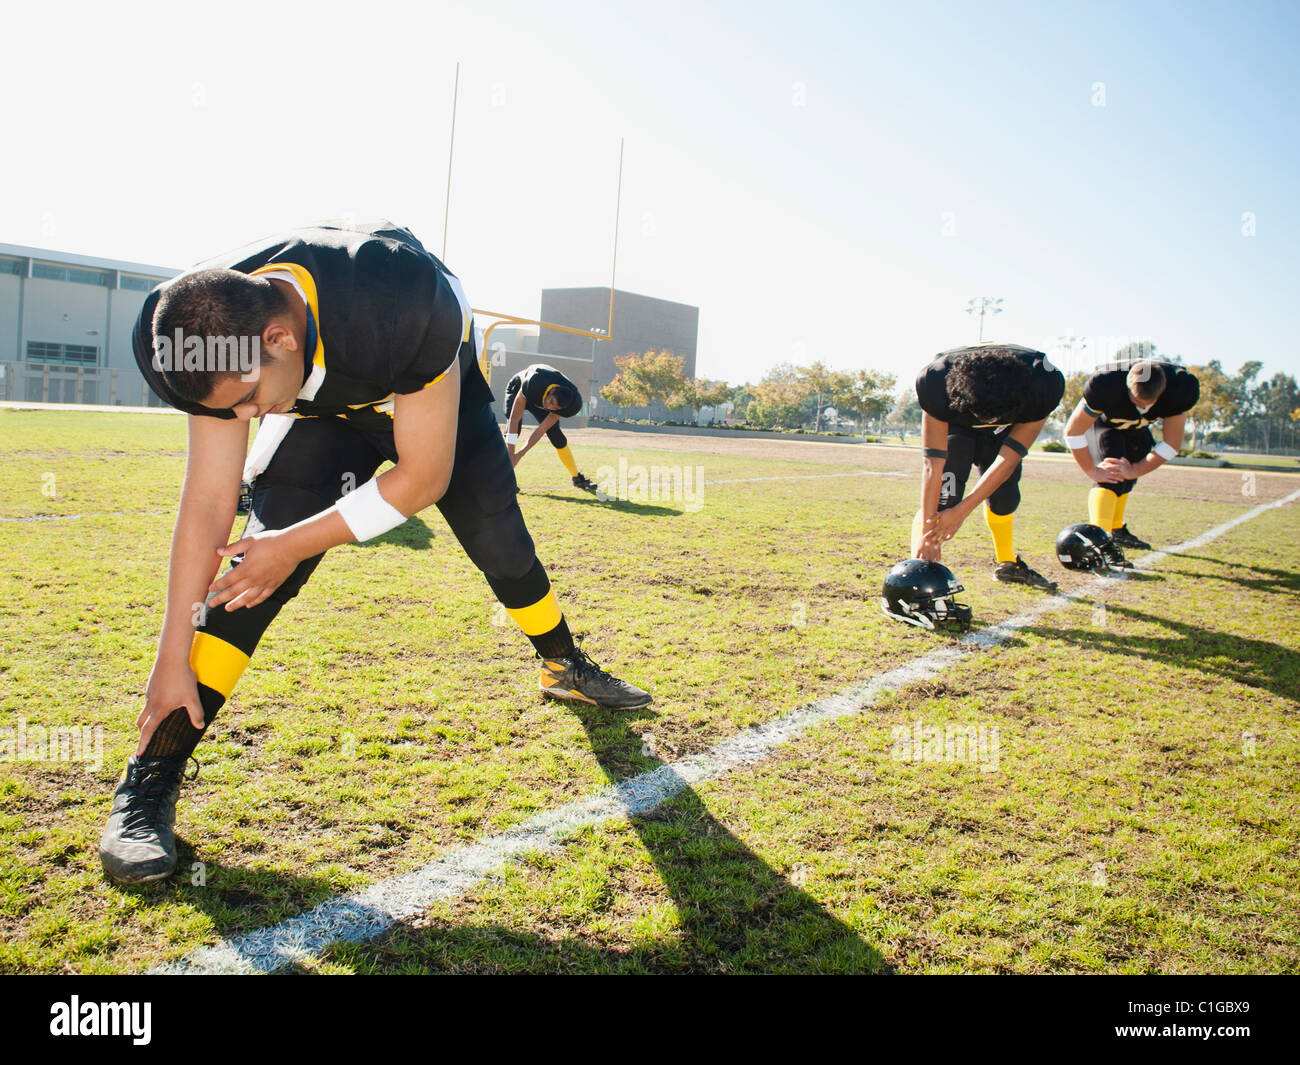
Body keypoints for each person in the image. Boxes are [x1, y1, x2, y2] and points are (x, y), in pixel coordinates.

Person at [99, 220, 650, 886]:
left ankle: (563, 663)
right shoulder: (188, 331)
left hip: (429, 397)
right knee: (249, 577)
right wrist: (168, 656)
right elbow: (210, 505)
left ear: (278, 337)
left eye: (248, 400)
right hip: (324, 415)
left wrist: (291, 544)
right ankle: (149, 779)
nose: (244, 420)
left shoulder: (401, 296)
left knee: (501, 542)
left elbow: (421, 479)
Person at [912, 342, 1064, 588]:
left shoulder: (1044, 384)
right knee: (944, 497)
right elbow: (933, 465)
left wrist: (961, 513)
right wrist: (927, 532)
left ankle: (1007, 564)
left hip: (1004, 431)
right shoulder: (935, 381)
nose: (984, 421)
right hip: (956, 426)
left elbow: (1009, 458)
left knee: (1006, 497)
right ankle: (919, 574)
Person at [1063, 360, 1200, 550]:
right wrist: (1092, 471)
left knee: (1129, 474)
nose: (1143, 407)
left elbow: (1171, 444)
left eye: (1149, 404)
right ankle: (1100, 540)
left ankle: (1116, 528)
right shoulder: (1105, 383)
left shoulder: (1180, 388)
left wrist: (1135, 470)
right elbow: (1073, 432)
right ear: (1127, 386)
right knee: (1112, 472)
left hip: (1137, 429)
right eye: (1137, 401)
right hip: (1106, 425)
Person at [503, 364, 598, 491]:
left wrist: (520, 454)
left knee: (556, 436)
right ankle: (504, 476)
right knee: (513, 429)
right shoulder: (533, 383)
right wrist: (511, 454)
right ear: (552, 391)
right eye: (551, 402)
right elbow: (515, 418)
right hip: (519, 387)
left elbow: (542, 429)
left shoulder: (572, 405)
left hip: (542, 395)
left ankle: (577, 478)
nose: (549, 408)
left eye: (555, 408)